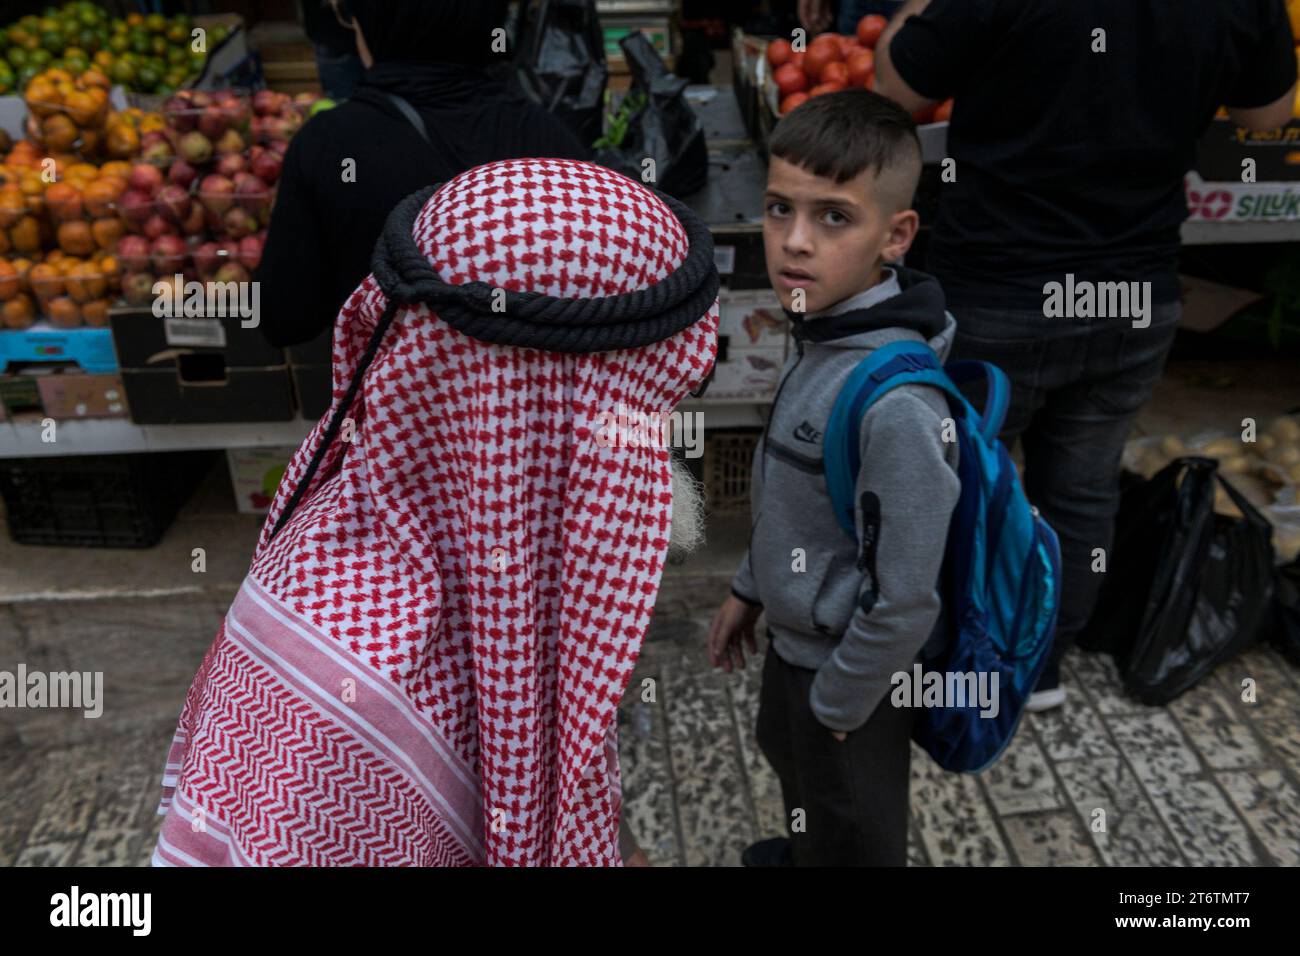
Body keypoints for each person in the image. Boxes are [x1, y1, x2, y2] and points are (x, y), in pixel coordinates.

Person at [151, 157, 720, 866]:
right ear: (555, 415)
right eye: (650, 400)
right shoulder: (344, 713)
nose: (659, 435)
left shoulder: (510, 578)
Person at [873, 0, 1298, 711]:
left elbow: (896, 89)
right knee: (1080, 491)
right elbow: (1265, 116)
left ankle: (950, 657)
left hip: (1000, 292)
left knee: (960, 485)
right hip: (1136, 295)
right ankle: (1040, 667)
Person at [707, 90, 960, 867]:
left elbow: (907, 594)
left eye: (834, 217)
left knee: (851, 828)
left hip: (852, 680)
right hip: (799, 646)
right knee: (795, 773)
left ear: (897, 235)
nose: (795, 243)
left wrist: (841, 707)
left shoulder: (899, 408)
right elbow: (800, 500)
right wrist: (751, 585)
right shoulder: (822, 328)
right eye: (780, 209)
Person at [255, 0, 591, 350]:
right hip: (537, 400)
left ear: (371, 21)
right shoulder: (555, 140)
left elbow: (285, 321)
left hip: (398, 402)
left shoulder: (327, 145)